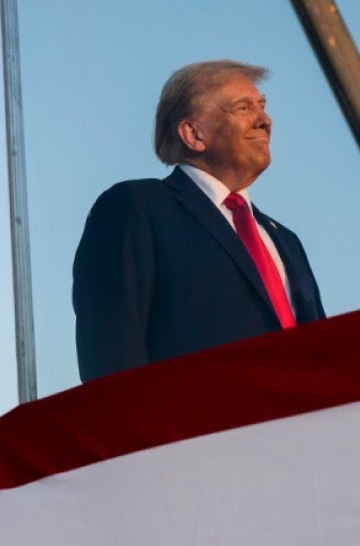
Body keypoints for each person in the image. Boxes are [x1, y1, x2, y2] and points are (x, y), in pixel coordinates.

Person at [73, 60, 325, 381]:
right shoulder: (137, 208)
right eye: (243, 107)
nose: (265, 120)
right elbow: (112, 354)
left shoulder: (286, 240)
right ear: (193, 134)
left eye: (262, 106)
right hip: (200, 429)